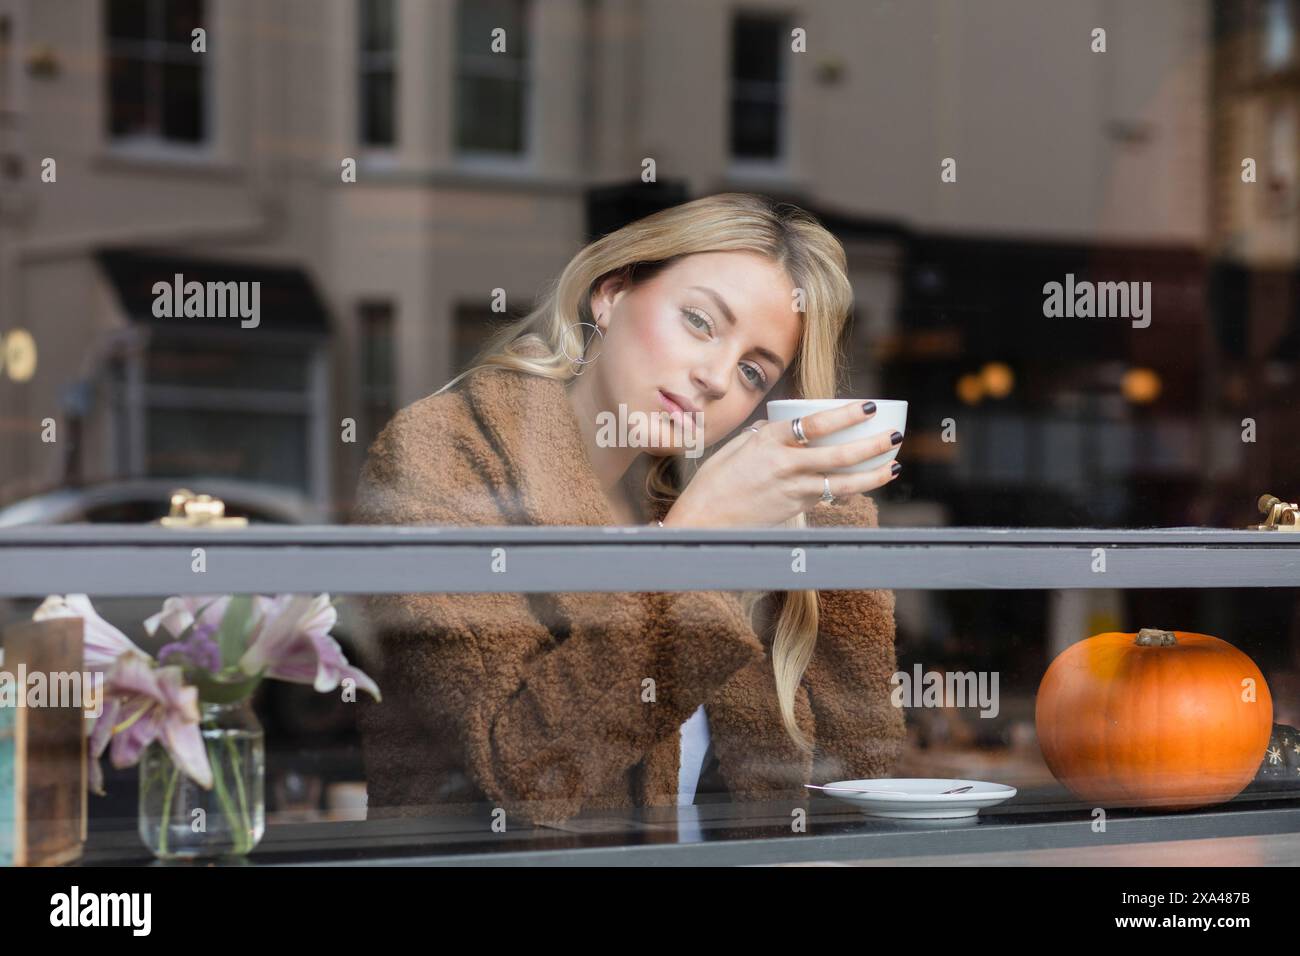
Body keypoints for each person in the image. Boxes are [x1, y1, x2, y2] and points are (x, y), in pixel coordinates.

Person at [353, 192, 907, 826]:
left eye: (755, 372)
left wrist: (825, 513)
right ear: (611, 294)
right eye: (700, 321)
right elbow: (530, 780)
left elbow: (862, 774)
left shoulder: (699, 503)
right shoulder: (443, 456)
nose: (718, 378)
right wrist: (689, 545)